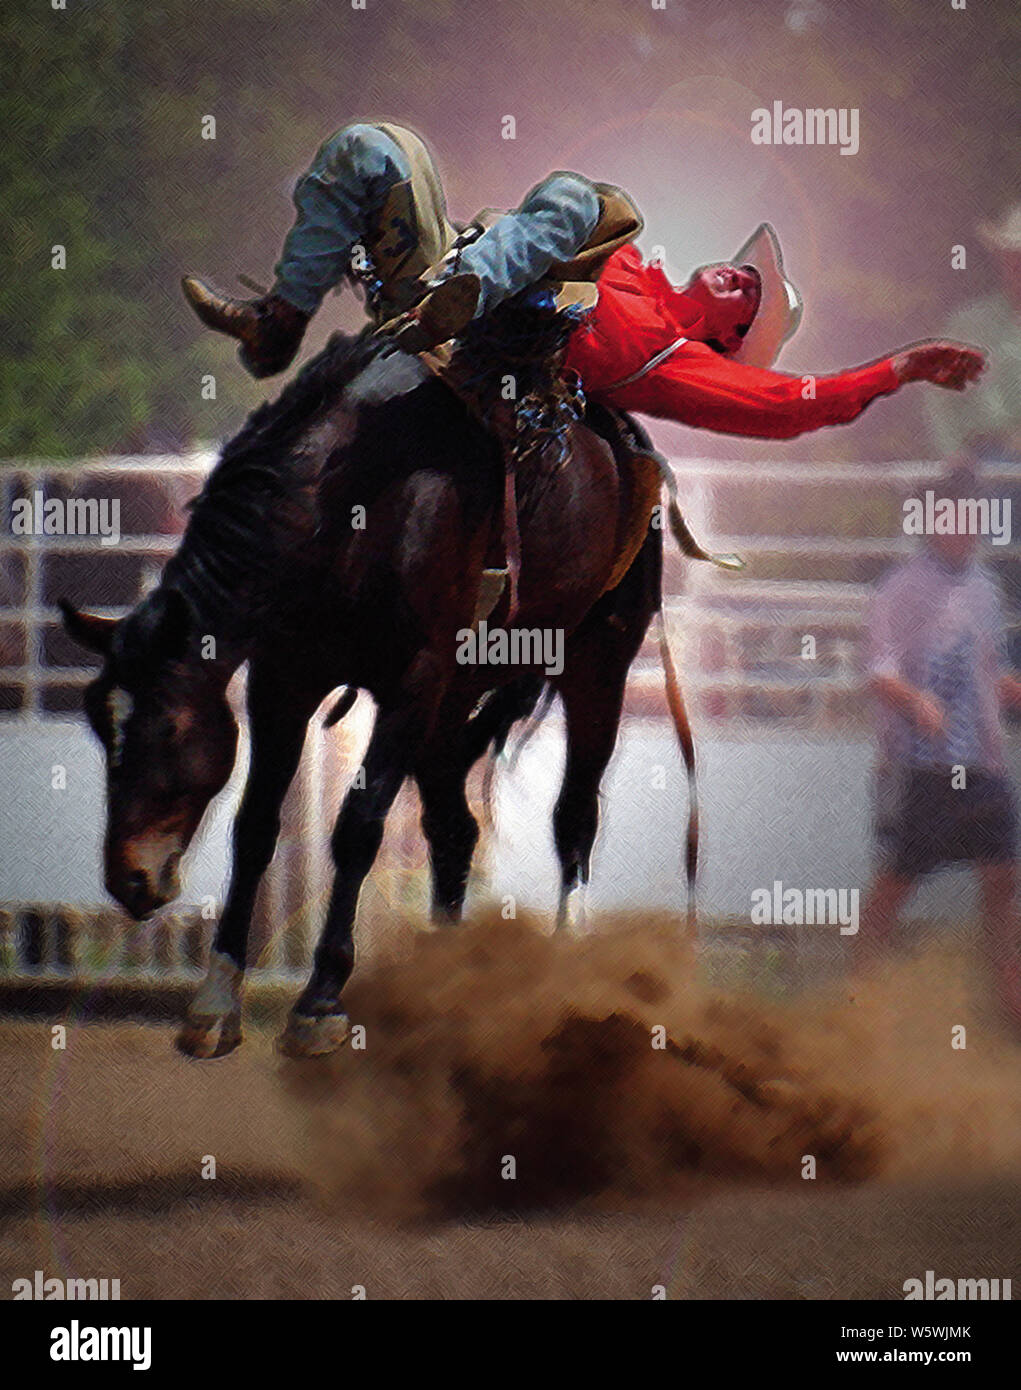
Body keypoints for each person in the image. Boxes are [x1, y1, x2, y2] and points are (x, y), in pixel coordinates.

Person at [182, 120, 640, 376]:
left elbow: (705, 388)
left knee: (576, 195)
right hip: (443, 266)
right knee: (367, 145)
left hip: (518, 329)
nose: (714, 277)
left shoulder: (674, 330)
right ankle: (280, 321)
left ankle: (456, 296)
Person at [857, 461, 1021, 1027]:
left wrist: (1011, 692)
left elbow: (988, 673)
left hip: (985, 763)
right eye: (955, 514)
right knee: (896, 882)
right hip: (924, 765)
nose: (967, 525)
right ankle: (861, 997)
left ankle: (1010, 1008)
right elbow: (878, 671)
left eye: (974, 514)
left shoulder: (985, 589)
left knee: (1003, 880)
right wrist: (917, 700)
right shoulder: (901, 588)